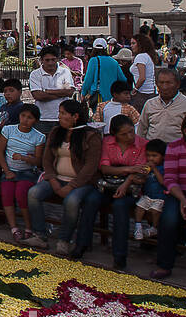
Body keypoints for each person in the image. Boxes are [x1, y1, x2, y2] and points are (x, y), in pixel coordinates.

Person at [24, 99, 102, 256]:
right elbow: (47, 159)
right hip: (57, 177)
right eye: (59, 113)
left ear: (75, 116)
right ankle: (39, 235)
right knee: (33, 193)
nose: (59, 117)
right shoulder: (56, 132)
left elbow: (90, 167)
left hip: (81, 182)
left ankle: (64, 240)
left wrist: (72, 186)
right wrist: (52, 179)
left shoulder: (90, 136)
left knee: (71, 201)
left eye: (63, 113)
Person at [81, 116, 148, 271]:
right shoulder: (107, 142)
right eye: (124, 134)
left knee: (120, 206)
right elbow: (104, 168)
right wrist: (129, 170)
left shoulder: (143, 144)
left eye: (131, 132)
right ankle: (82, 244)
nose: (130, 137)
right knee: (90, 200)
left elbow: (141, 172)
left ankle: (120, 256)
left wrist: (127, 179)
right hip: (107, 185)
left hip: (131, 188)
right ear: (114, 134)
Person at [152, 111, 186, 280]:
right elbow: (170, 178)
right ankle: (164, 265)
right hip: (178, 193)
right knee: (169, 220)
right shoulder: (175, 147)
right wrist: (182, 199)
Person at [0, 103, 45, 243]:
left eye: (29, 118)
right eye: (23, 116)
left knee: (21, 194)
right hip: (9, 171)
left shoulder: (39, 137)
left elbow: (38, 161)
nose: (25, 120)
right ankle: (14, 228)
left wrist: (25, 158)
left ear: (35, 120)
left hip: (28, 172)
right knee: (7, 194)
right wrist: (6, 170)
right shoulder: (8, 130)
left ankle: (28, 227)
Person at [136, 68, 186, 144]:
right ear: (156, 84)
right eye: (161, 83)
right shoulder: (150, 104)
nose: (164, 87)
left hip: (178, 151)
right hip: (153, 150)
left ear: (178, 84)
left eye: (169, 83)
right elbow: (142, 129)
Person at [29, 47, 75, 135]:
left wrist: (48, 91)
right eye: (47, 60)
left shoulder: (65, 72)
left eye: (53, 60)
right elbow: (38, 96)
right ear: (41, 60)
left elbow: (70, 92)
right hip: (43, 119)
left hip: (63, 119)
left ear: (57, 59)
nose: (50, 63)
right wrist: (62, 93)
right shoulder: (35, 74)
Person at [132, 140, 167, 244]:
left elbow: (162, 182)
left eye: (154, 156)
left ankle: (154, 228)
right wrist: (142, 174)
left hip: (160, 197)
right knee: (139, 208)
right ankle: (138, 226)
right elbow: (142, 179)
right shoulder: (147, 167)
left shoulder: (163, 168)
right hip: (147, 195)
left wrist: (155, 169)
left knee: (155, 211)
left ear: (163, 156)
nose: (150, 158)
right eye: (148, 155)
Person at [80, 39, 126, 109]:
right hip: (112, 96)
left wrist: (83, 93)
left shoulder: (93, 60)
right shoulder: (113, 61)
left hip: (99, 96)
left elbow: (88, 80)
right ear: (105, 48)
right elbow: (123, 79)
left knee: (98, 117)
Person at [130, 33, 158, 109]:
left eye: (133, 43)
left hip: (143, 93)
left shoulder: (141, 57)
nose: (131, 46)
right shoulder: (147, 56)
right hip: (150, 91)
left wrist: (135, 89)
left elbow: (142, 77)